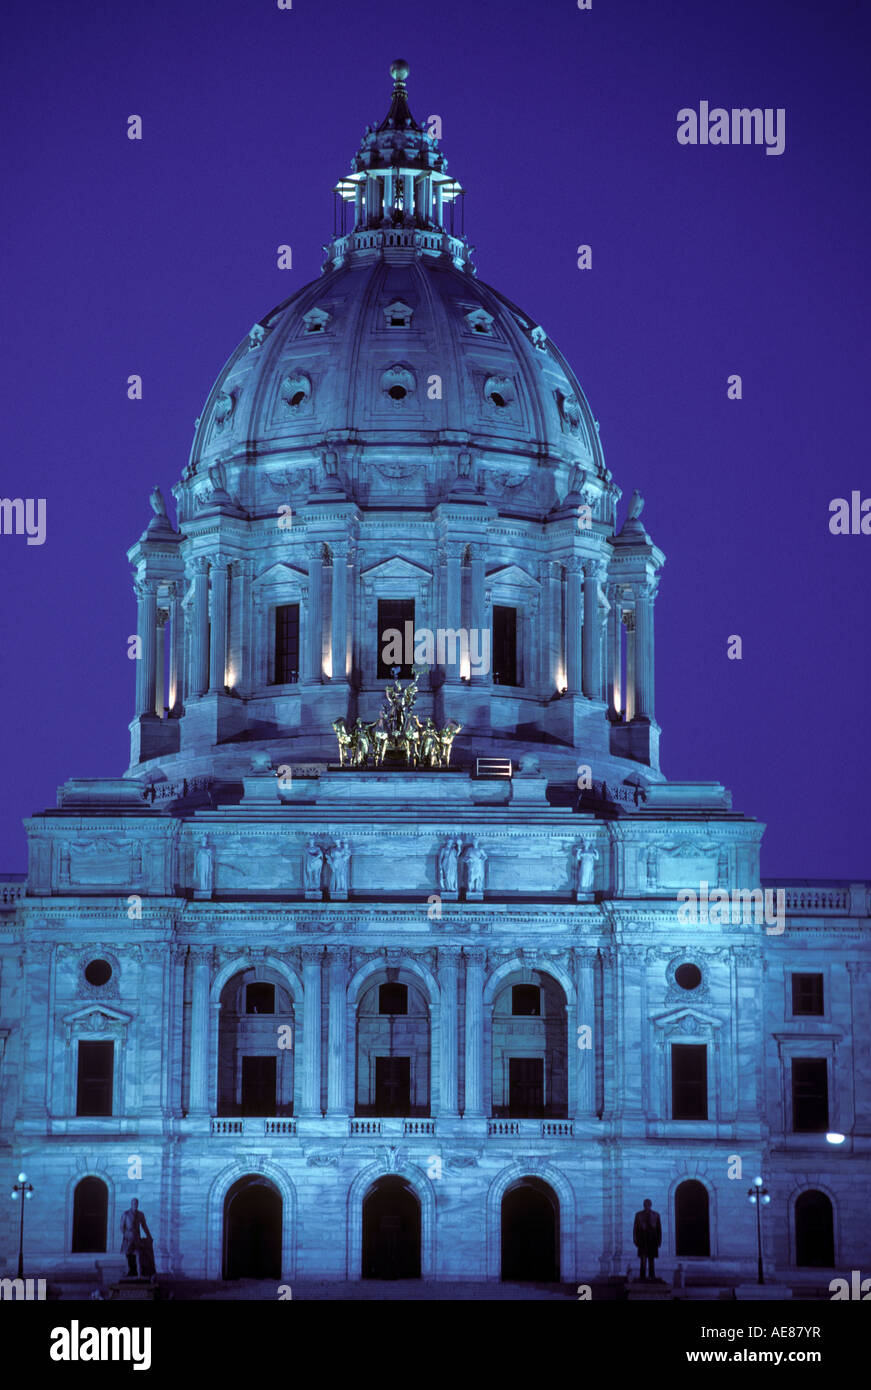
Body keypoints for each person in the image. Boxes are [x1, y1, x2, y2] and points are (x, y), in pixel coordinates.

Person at [120, 1198, 151, 1277]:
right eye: (133, 1203)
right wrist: (126, 1234)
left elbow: (144, 1226)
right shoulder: (125, 1214)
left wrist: (149, 1235)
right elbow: (121, 1227)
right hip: (128, 1237)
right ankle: (128, 1271)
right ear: (131, 1204)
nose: (135, 1205)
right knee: (128, 1255)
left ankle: (139, 1273)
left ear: (138, 1204)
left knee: (138, 1254)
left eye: (136, 1203)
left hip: (136, 1237)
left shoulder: (140, 1214)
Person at [632, 1198, 662, 1281]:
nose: (647, 1206)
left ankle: (652, 1276)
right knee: (643, 1259)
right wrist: (635, 1239)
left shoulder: (656, 1215)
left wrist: (659, 1241)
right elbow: (635, 1228)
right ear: (644, 1205)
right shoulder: (638, 1215)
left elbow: (659, 1229)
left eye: (648, 1205)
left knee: (651, 1259)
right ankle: (642, 1277)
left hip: (652, 1240)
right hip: (643, 1240)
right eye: (646, 1205)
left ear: (650, 1205)